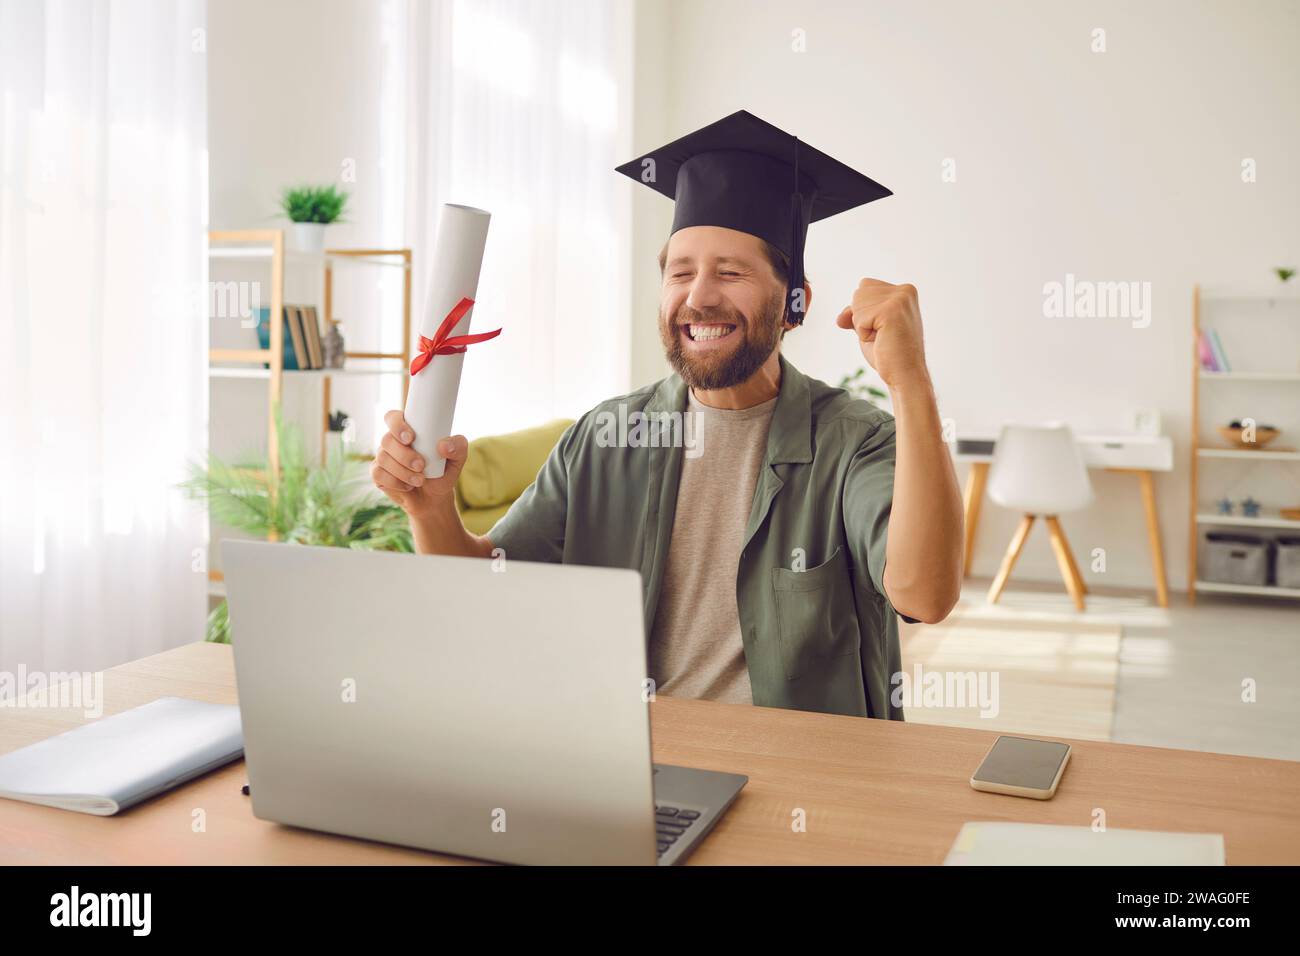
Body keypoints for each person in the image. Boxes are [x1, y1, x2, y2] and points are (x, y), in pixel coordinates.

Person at [370, 110, 963, 719]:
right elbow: (481, 592)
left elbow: (925, 594)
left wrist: (909, 382)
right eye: (680, 273)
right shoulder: (606, 438)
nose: (698, 296)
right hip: (624, 766)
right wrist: (431, 508)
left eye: (729, 273)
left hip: (799, 779)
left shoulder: (853, 442)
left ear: (794, 304)